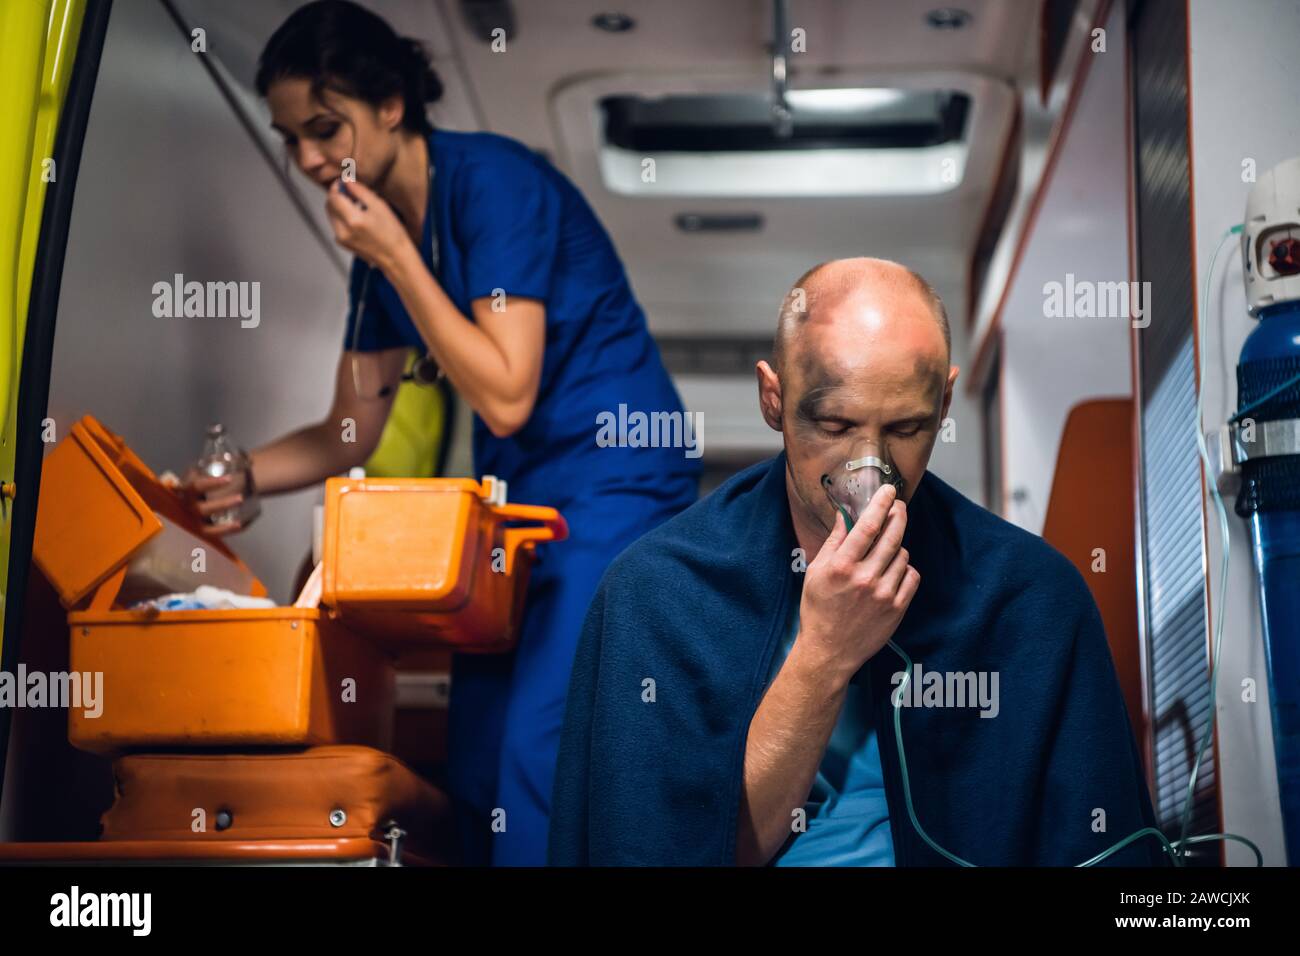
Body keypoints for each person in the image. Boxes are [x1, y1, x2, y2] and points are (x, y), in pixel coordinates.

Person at [184, 0, 700, 866]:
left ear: (390, 104)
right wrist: (243, 473)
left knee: (540, 743)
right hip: (526, 500)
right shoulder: (379, 252)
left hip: (616, 478)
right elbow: (350, 431)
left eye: (324, 128)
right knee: (475, 754)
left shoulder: (492, 185)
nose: (309, 160)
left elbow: (505, 395)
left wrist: (395, 257)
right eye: (290, 139)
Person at [549, 258, 1166, 866]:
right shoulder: (658, 590)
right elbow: (688, 849)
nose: (869, 469)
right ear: (773, 399)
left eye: (906, 427)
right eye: (836, 425)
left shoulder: (1030, 594)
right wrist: (824, 654)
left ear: (945, 403)